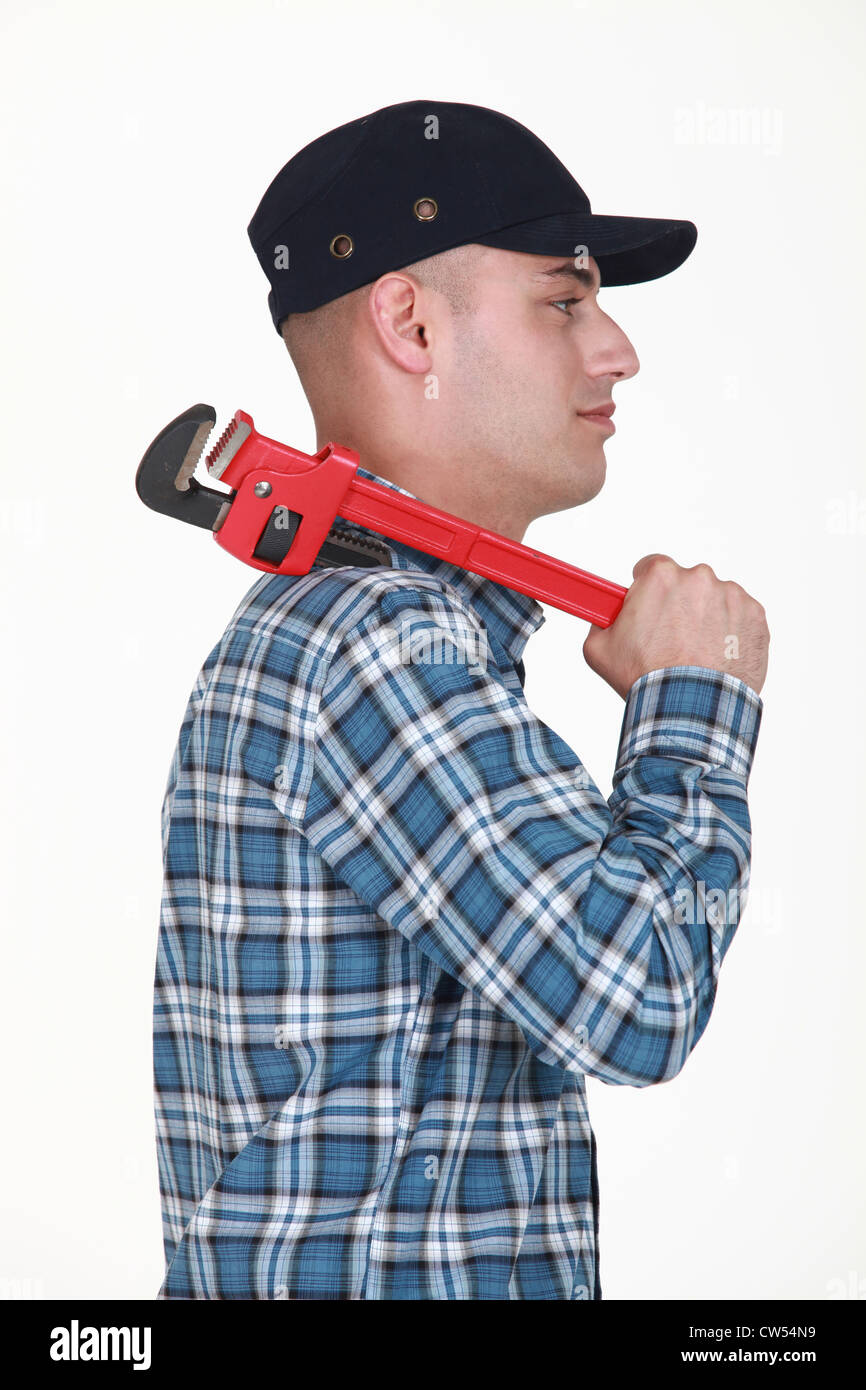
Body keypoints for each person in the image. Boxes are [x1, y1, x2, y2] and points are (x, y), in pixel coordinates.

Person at [153, 99, 769, 1300]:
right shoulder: (380, 642)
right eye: (564, 300)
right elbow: (631, 996)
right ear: (410, 322)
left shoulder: (389, 633)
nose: (616, 350)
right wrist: (692, 704)